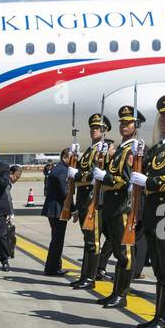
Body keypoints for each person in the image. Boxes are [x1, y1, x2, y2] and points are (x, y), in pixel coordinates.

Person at [131, 94, 165, 328]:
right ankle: (158, 316)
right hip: (154, 213)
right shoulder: (159, 147)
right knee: (158, 270)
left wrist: (149, 182)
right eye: (163, 114)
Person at [95, 106, 145, 309]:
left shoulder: (132, 150)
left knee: (125, 253)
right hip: (112, 206)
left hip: (123, 206)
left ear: (137, 126)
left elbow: (124, 180)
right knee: (117, 252)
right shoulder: (122, 149)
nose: (124, 125)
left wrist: (104, 177)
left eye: (129, 123)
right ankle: (116, 291)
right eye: (122, 122)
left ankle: (122, 294)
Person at [70, 114, 112, 288]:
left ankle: (90, 277)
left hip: (94, 200)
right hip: (83, 199)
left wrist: (78, 175)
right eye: (93, 127)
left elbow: (96, 175)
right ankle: (85, 275)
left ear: (105, 131)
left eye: (99, 128)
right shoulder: (90, 149)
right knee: (88, 241)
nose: (95, 130)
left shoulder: (105, 149)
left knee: (93, 241)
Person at [42, 148, 72, 275]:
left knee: (56, 239)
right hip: (57, 210)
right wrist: (74, 209)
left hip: (54, 209)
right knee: (57, 240)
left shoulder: (60, 168)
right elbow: (65, 193)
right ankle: (52, 268)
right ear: (66, 157)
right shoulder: (62, 171)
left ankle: (54, 266)